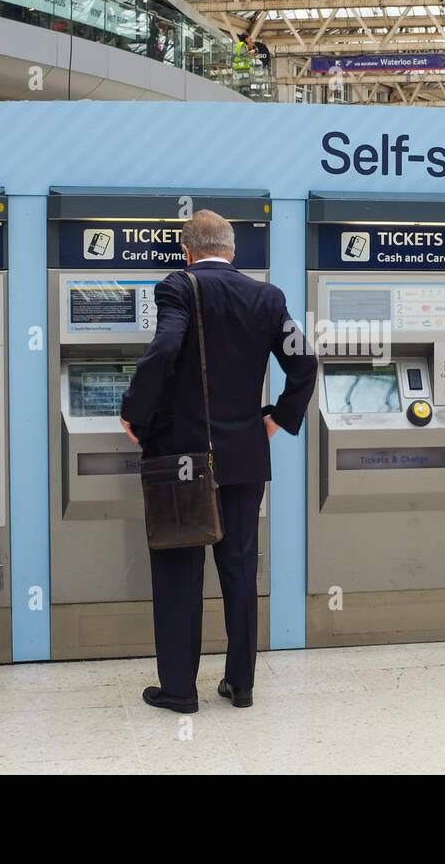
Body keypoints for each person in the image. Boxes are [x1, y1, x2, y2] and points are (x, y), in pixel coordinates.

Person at [120, 209, 316, 712]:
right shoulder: (268, 298)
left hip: (183, 460)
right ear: (233, 250)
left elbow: (165, 347)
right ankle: (241, 684)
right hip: (244, 458)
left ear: (187, 251)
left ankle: (181, 690)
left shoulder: (178, 287)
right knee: (239, 570)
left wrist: (135, 415)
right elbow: (306, 361)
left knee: (179, 570)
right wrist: (274, 420)